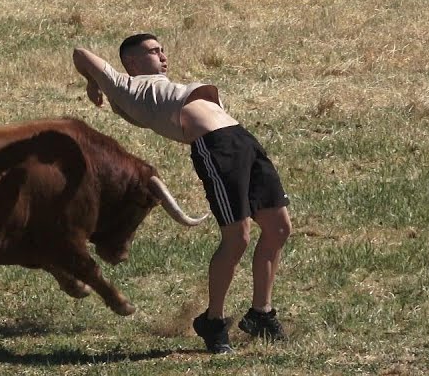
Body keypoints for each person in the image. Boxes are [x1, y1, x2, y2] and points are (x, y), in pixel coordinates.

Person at [73, 35, 292, 355]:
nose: (163, 55)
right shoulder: (125, 85)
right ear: (132, 63)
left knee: (279, 228)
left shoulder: (162, 84)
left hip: (243, 139)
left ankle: (261, 314)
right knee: (238, 237)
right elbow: (81, 53)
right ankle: (213, 321)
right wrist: (93, 82)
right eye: (153, 51)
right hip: (215, 146)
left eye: (162, 49)